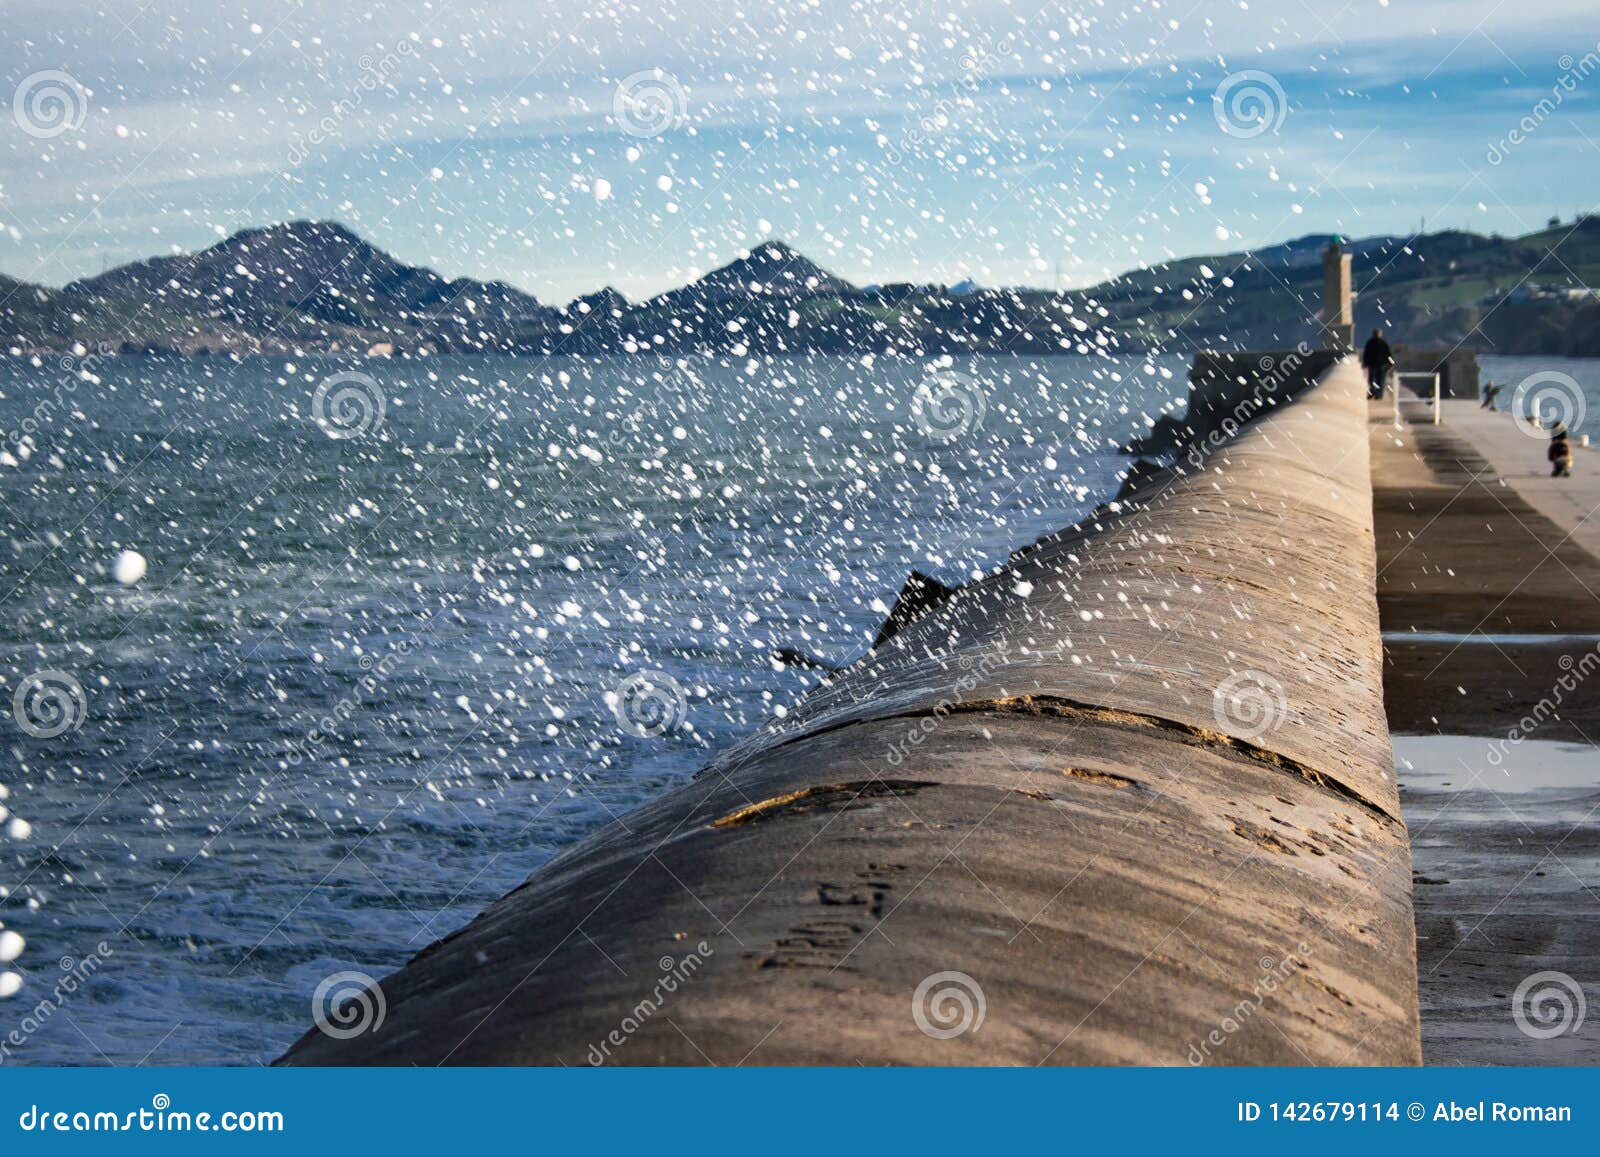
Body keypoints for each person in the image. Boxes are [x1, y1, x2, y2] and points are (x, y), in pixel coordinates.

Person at [1361, 328, 1393, 399]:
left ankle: (1375, 393)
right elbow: (1389, 354)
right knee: (1378, 380)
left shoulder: (1372, 343)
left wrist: (1365, 363)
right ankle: (1377, 394)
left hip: (1375, 365)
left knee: (1374, 380)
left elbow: (1366, 354)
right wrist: (1391, 364)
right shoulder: (1382, 343)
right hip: (1378, 365)